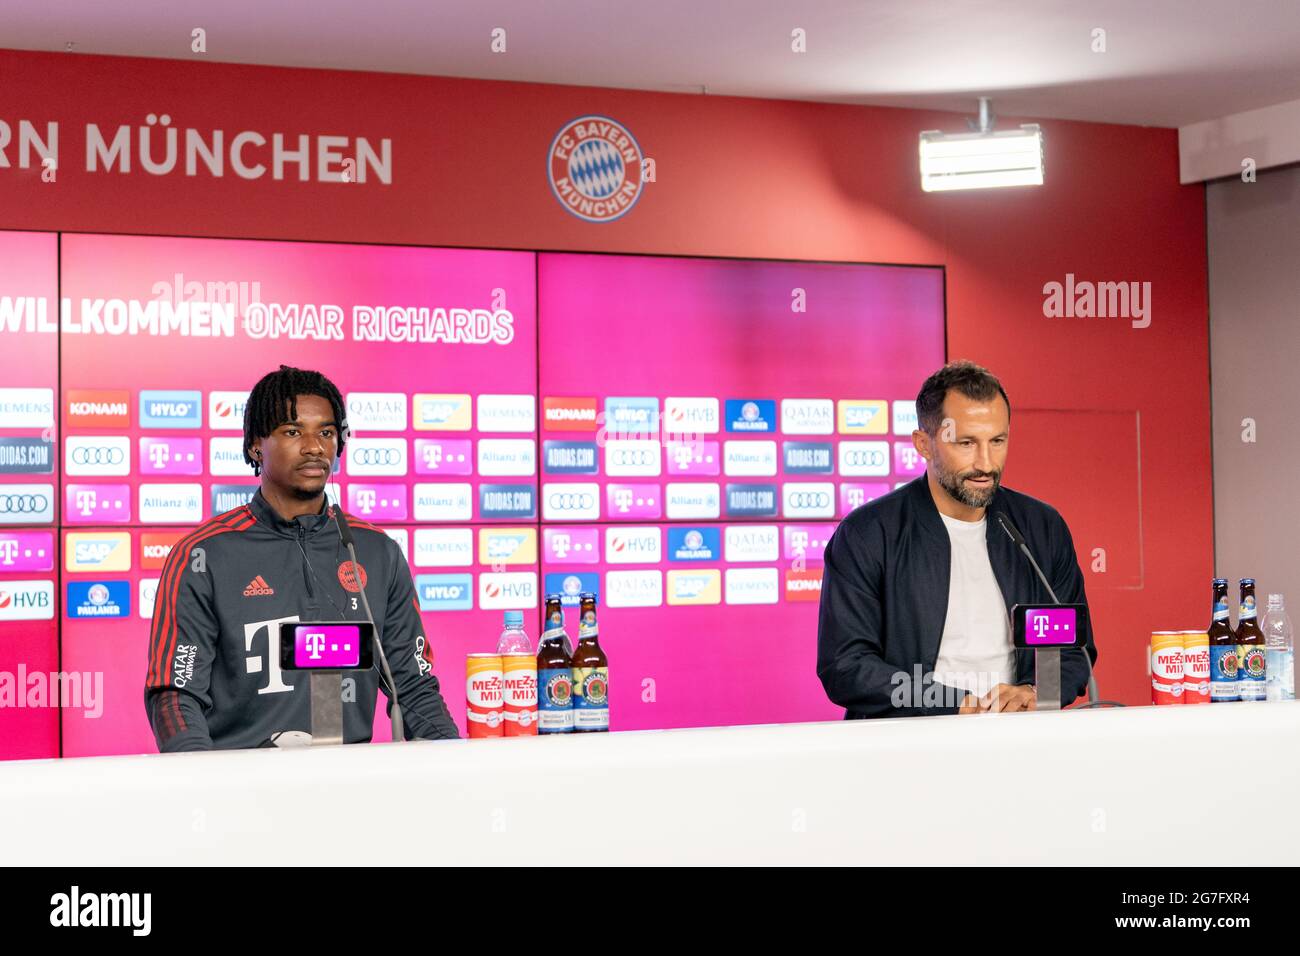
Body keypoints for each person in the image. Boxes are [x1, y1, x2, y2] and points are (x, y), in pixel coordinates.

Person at [144, 365, 459, 750]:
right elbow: (176, 696)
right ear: (255, 445)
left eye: (326, 432)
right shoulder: (203, 555)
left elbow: (414, 688)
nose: (314, 447)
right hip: (239, 793)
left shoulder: (377, 552)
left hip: (348, 790)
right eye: (293, 432)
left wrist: (457, 770)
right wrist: (206, 787)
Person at [816, 360, 1097, 718]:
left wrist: (1035, 693)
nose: (986, 463)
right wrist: (952, 703)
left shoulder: (1041, 528)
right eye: (966, 443)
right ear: (924, 444)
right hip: (909, 744)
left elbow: (1070, 650)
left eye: (997, 441)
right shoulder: (868, 534)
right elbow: (846, 666)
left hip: (1020, 741)